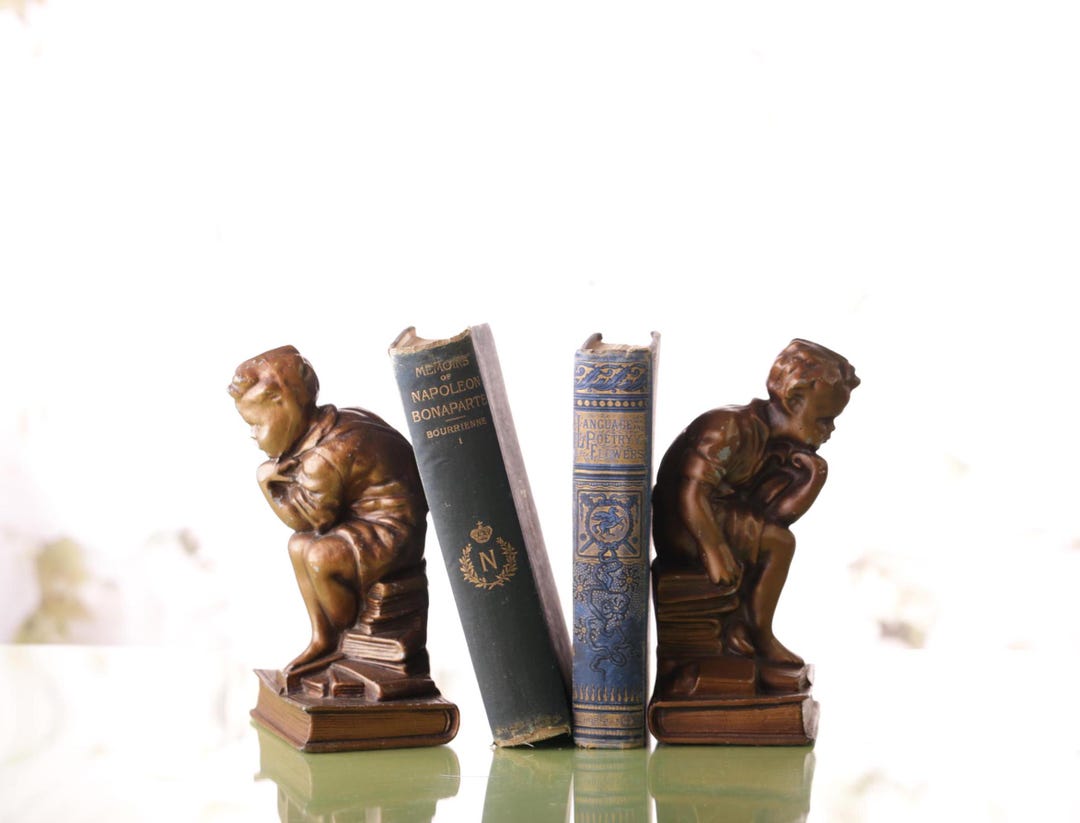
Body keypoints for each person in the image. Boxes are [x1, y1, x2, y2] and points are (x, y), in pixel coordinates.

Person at [651, 339, 859, 667]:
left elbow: (775, 519)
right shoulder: (728, 427)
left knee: (778, 540)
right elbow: (691, 492)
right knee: (780, 544)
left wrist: (813, 479)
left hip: (715, 516)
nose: (830, 430)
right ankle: (759, 634)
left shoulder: (781, 448)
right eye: (823, 419)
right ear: (793, 400)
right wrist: (715, 551)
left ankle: (746, 631)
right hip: (686, 524)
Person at [229, 346, 428, 672]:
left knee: (320, 555)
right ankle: (323, 638)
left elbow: (308, 521)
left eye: (256, 424)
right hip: (369, 518)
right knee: (298, 547)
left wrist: (265, 482)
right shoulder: (340, 420)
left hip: (393, 530)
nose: (253, 435)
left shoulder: (324, 457)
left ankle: (342, 628)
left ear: (283, 404)